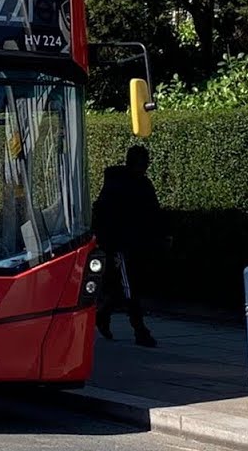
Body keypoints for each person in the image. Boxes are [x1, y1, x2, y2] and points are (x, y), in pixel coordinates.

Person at [92, 144, 164, 347]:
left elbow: (153, 212)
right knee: (128, 285)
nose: (145, 168)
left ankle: (103, 314)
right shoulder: (121, 185)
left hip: (132, 242)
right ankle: (139, 329)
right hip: (120, 243)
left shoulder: (136, 184)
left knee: (123, 284)